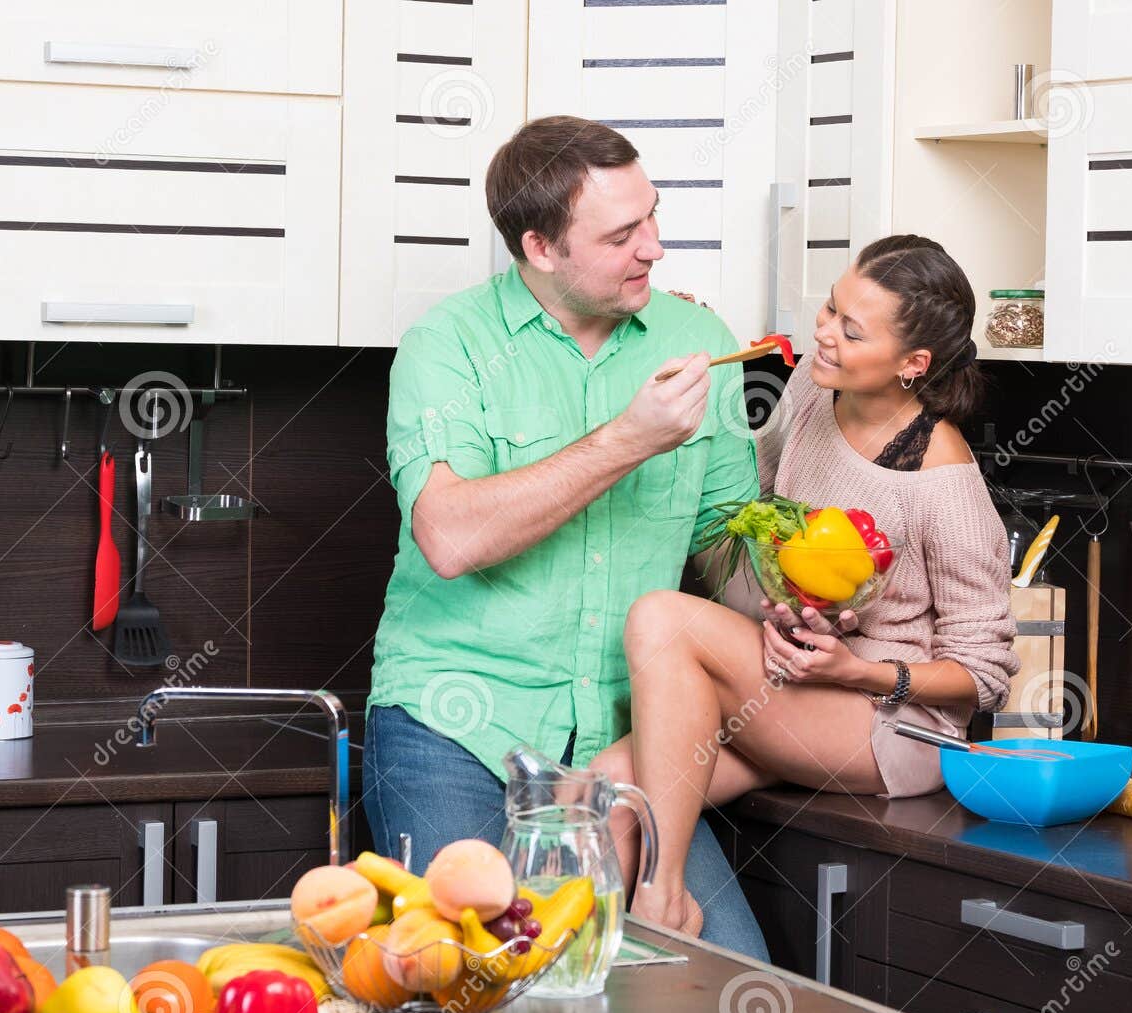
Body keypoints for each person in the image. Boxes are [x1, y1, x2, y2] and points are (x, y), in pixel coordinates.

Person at [362, 115, 770, 958]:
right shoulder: (448, 345)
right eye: (621, 235)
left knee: (729, 982)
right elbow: (450, 535)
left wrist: (792, 604)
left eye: (653, 217)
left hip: (634, 740)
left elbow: (724, 547)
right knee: (479, 976)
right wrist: (629, 439)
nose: (653, 248)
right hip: (461, 727)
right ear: (540, 248)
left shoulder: (701, 343)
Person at [593, 236, 1020, 935]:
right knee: (597, 800)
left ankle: (664, 899)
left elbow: (984, 677)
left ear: (913, 364)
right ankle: (624, 989)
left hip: (891, 725)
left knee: (662, 619)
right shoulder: (813, 392)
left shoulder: (942, 477)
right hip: (798, 691)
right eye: (830, 308)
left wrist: (857, 669)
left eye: (853, 330)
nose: (825, 332)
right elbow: (758, 513)